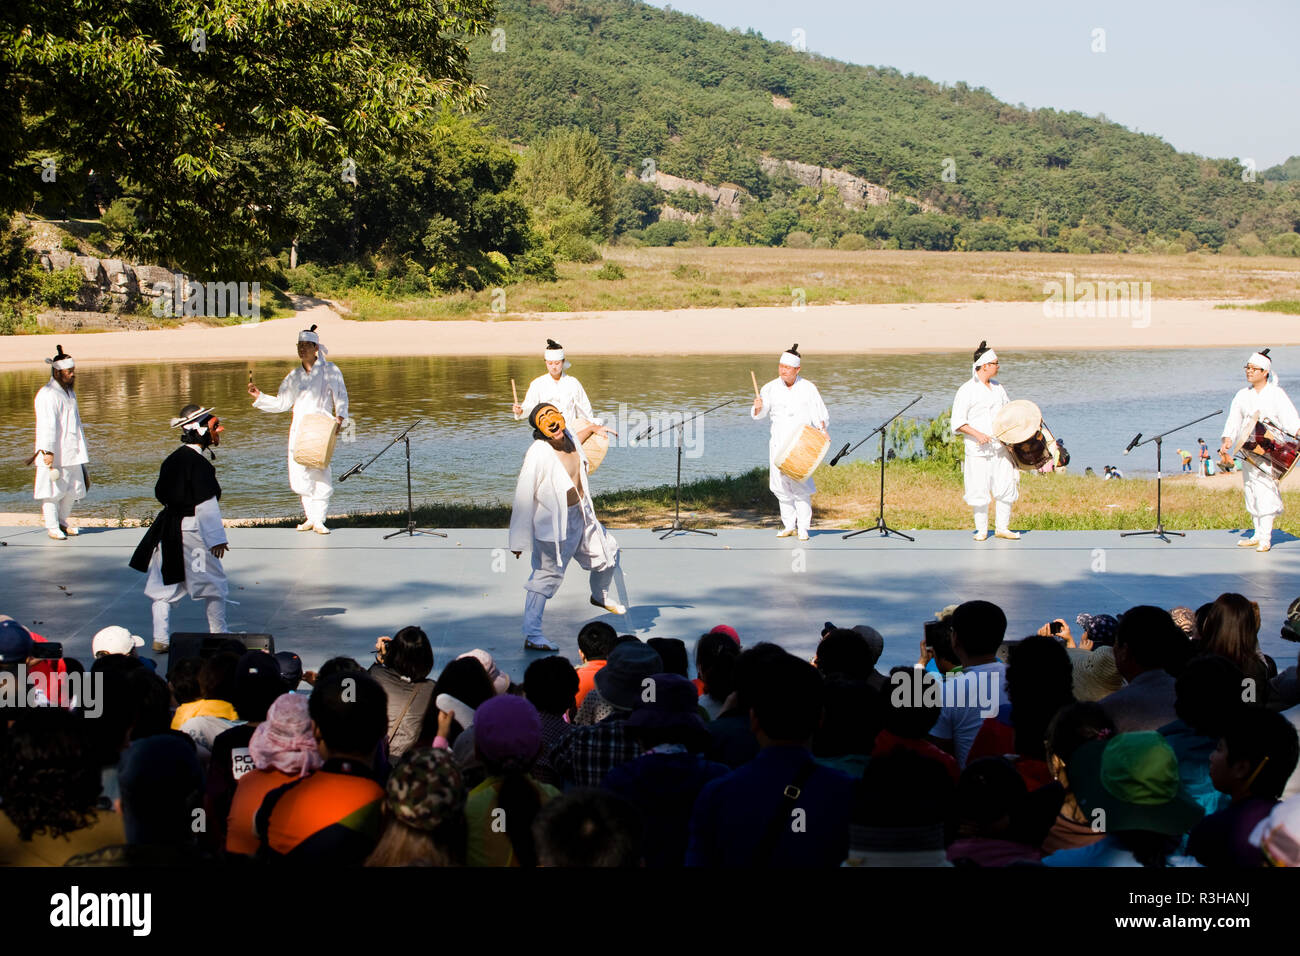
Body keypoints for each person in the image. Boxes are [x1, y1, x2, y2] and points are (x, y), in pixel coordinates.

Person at [509, 402, 625, 652]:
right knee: (545, 577)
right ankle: (532, 634)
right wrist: (518, 541)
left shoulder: (568, 433)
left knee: (609, 550)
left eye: (554, 417)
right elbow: (523, 493)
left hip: (582, 514)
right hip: (553, 523)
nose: (553, 425)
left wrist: (594, 427)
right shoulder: (538, 453)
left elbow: (577, 435)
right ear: (541, 431)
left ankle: (599, 596)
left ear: (561, 417)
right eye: (546, 422)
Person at [128, 405, 230, 653]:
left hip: (169, 529)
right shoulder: (199, 465)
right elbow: (206, 505)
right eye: (216, 426)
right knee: (214, 584)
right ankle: (219, 634)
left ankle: (161, 638)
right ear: (201, 430)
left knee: (164, 586)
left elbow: (161, 494)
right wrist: (216, 538)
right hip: (193, 531)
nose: (220, 430)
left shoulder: (171, 460)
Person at [248, 324, 348, 534]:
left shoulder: (330, 370)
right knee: (300, 474)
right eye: (299, 346)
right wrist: (260, 396)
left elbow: (341, 396)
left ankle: (319, 519)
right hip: (299, 428)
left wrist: (340, 419)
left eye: (306, 345)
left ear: (315, 348)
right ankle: (310, 517)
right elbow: (283, 403)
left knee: (320, 471)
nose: (302, 349)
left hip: (321, 427)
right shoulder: (294, 376)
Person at [1221, 349, 1300, 552]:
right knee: (1251, 490)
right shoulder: (1241, 395)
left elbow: (1290, 418)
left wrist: (1297, 432)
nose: (1249, 371)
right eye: (1247, 368)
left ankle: (1266, 537)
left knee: (1265, 491)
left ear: (1264, 372)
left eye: (1253, 368)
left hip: (1270, 450)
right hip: (1248, 450)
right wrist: (1228, 439)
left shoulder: (1276, 393)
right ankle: (1256, 534)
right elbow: (1234, 420)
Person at [751, 344, 829, 541]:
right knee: (779, 487)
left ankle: (803, 527)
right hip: (778, 443)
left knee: (800, 487)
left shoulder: (808, 388)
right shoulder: (769, 387)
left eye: (787, 367)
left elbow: (819, 414)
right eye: (781, 366)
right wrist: (758, 407)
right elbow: (760, 415)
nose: (783, 370)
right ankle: (788, 525)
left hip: (801, 443)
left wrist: (822, 430)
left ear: (797, 370)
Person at [951, 340, 1019, 541]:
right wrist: (978, 434)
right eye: (996, 363)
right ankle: (981, 530)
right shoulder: (967, 390)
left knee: (1006, 486)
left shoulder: (998, 388)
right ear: (985, 365)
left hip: (1001, 447)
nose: (998, 367)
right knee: (978, 488)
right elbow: (958, 421)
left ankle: (1002, 528)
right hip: (978, 449)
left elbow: (1008, 413)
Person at [31, 344, 89, 540]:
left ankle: (63, 521)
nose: (73, 374)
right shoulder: (48, 394)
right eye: (69, 371)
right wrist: (47, 450)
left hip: (72, 449)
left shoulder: (68, 392)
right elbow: (47, 425)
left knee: (73, 490)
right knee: (53, 491)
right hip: (55, 450)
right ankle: (52, 525)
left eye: (73, 371)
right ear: (57, 372)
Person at [512, 339, 613, 446]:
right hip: (547, 435)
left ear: (563, 362)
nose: (554, 367)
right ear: (546, 362)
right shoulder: (537, 383)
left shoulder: (573, 383)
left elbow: (584, 410)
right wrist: (520, 411)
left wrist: (591, 427)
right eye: (550, 363)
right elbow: (531, 407)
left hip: (571, 433)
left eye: (557, 363)